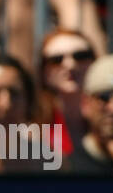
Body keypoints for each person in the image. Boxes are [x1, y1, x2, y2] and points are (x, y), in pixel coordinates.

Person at [38, 28, 97, 158]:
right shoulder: (31, 126)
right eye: (56, 59)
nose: (70, 64)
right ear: (43, 71)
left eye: (80, 56)